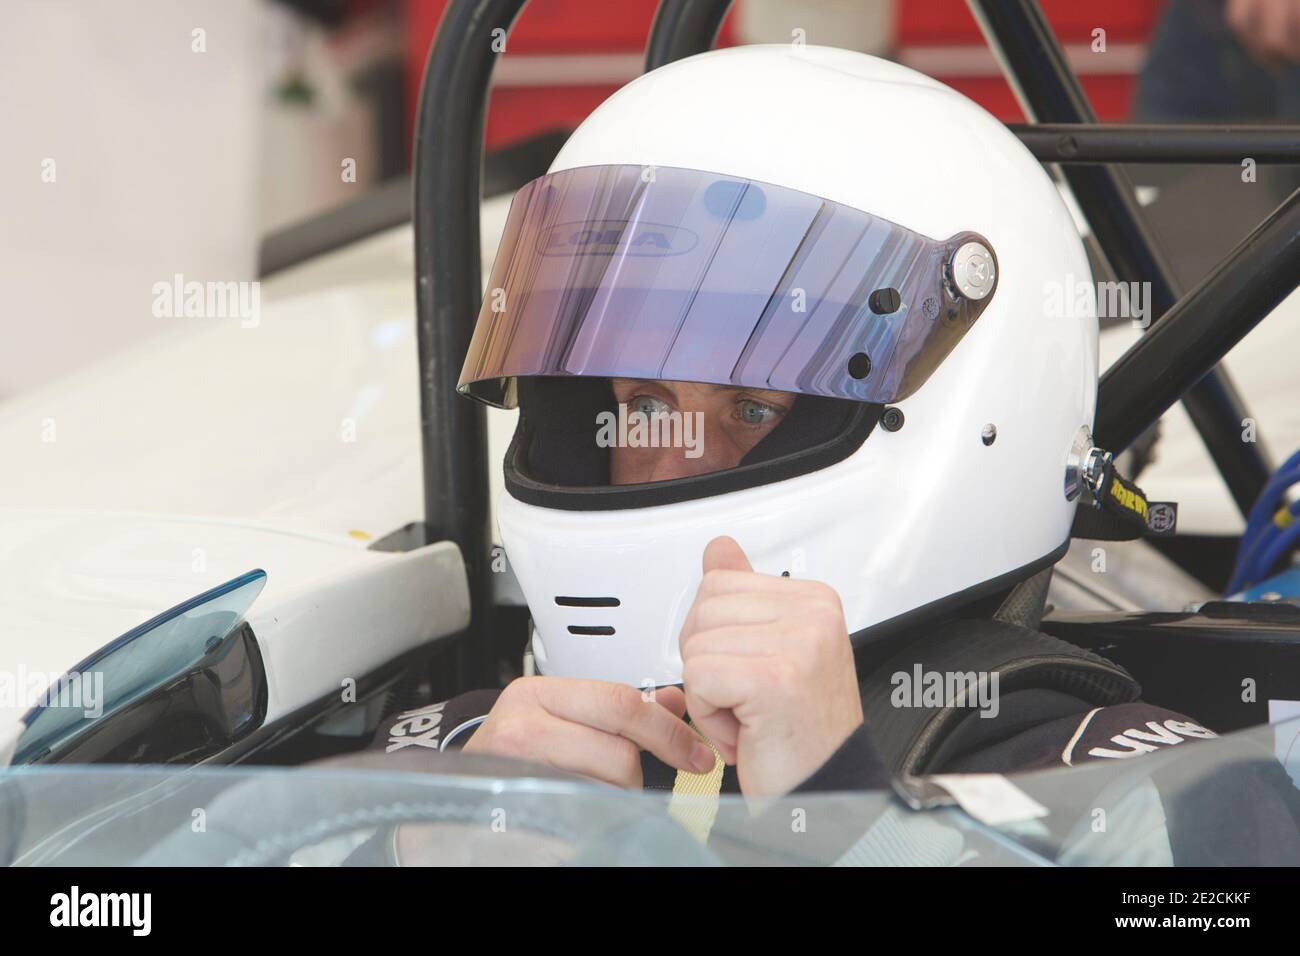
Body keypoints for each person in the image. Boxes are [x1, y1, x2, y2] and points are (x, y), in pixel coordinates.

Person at [371, 44, 1222, 805]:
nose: (669, 464)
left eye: (750, 409)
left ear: (973, 427)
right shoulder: (466, 753)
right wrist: (447, 837)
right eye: (644, 407)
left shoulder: (1121, 785)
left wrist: (839, 813)